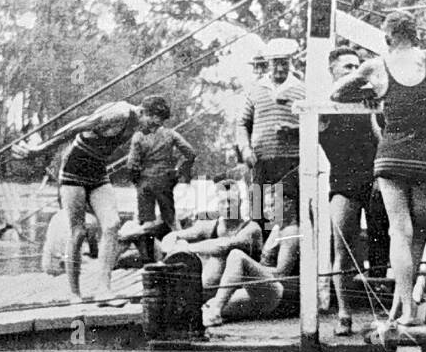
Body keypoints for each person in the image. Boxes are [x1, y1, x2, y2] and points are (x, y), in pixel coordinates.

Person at [332, 10, 426, 327]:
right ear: (416, 33)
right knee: (419, 235)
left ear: (387, 37)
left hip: (391, 157)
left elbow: (337, 92)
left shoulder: (376, 65)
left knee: (399, 233)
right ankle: (407, 308)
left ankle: (405, 312)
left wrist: (369, 93)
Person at [13, 97, 166, 302]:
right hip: (74, 170)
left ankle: (104, 290)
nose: (154, 129)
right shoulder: (119, 113)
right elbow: (74, 127)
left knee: (112, 225)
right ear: (143, 112)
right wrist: (38, 150)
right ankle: (74, 293)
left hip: (97, 173)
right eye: (153, 123)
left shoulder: (137, 126)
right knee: (78, 232)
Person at [320, 45, 381, 335]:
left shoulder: (367, 100)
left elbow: (379, 139)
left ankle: (392, 312)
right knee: (343, 248)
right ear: (332, 70)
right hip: (343, 181)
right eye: (348, 66)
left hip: (374, 177)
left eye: (358, 65)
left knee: (389, 242)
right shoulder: (324, 104)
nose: (355, 71)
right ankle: (344, 313)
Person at [202, 196, 301, 326]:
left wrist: (249, 271)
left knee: (237, 256)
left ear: (288, 205)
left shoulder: (291, 232)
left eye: (272, 206)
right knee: (209, 304)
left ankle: (215, 312)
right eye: (265, 206)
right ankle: (214, 311)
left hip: (281, 295)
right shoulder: (278, 228)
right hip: (266, 291)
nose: (266, 211)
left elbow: (281, 274)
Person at [236, 38, 305, 227]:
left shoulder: (302, 89)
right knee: (257, 211)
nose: (280, 68)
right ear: (269, 64)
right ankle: (258, 252)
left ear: (291, 63)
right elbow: (242, 123)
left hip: (292, 160)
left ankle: (286, 253)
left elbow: (314, 125)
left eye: (284, 63)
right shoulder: (255, 89)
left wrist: (294, 130)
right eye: (276, 63)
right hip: (261, 160)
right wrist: (245, 149)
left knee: (288, 211)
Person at [160, 180, 263, 295]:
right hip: (219, 288)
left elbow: (223, 246)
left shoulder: (252, 229)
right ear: (217, 204)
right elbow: (172, 236)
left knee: (218, 256)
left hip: (246, 292)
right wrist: (173, 246)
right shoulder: (210, 225)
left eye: (231, 202)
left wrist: (186, 248)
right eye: (222, 202)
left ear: (240, 202)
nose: (227, 206)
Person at [127, 95, 196, 233]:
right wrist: (179, 170)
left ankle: (146, 249)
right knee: (171, 219)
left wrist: (136, 180)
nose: (142, 118)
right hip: (165, 181)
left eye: (146, 114)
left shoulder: (138, 137)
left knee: (146, 222)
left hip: (144, 183)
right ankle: (181, 246)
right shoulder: (171, 134)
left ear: (155, 118)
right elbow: (191, 153)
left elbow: (131, 164)